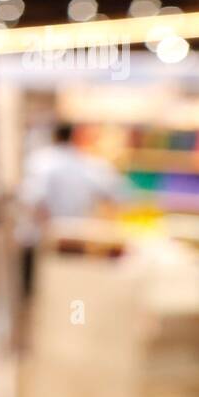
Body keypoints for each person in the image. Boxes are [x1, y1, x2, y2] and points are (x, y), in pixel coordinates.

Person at [16, 121, 126, 296]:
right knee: (73, 296)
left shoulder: (40, 161)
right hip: (78, 243)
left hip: (45, 241)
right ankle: (74, 320)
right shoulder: (90, 164)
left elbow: (33, 199)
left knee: (40, 296)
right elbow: (119, 195)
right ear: (75, 136)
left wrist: (46, 226)